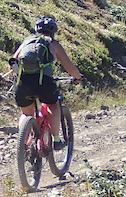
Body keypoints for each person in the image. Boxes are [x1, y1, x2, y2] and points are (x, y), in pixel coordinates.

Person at [11, 17, 82, 150]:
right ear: (54, 31)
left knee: (26, 114)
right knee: (53, 106)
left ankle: (23, 144)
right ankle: (56, 140)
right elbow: (70, 67)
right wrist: (78, 77)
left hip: (23, 83)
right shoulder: (53, 44)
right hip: (44, 83)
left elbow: (13, 62)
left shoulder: (27, 42)